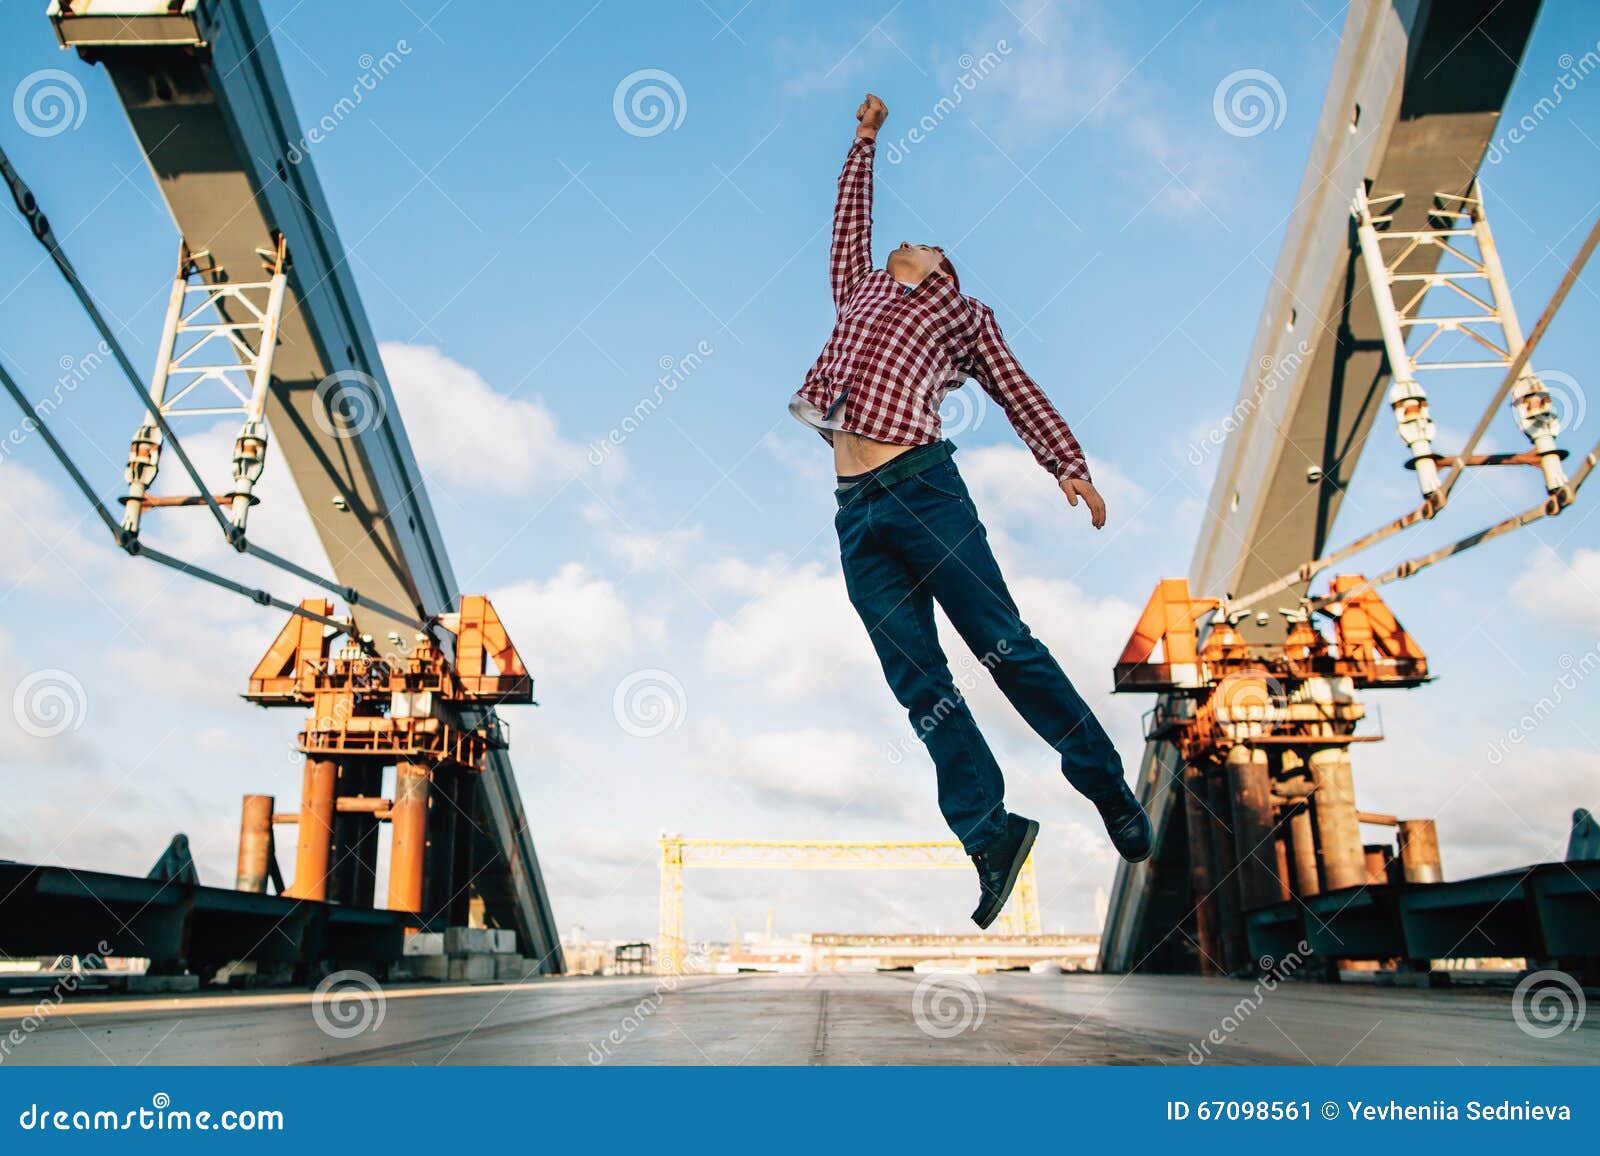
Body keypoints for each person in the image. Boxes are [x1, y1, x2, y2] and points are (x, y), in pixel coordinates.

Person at [790, 93, 1151, 929]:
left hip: (924, 490)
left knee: (1004, 646)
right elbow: (847, 224)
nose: (905, 240)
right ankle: (991, 834)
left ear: (939, 269)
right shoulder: (858, 290)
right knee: (920, 685)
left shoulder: (960, 313)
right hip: (856, 514)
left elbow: (1018, 388)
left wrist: (1067, 464)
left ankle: (1103, 782)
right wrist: (864, 139)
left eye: (921, 242)